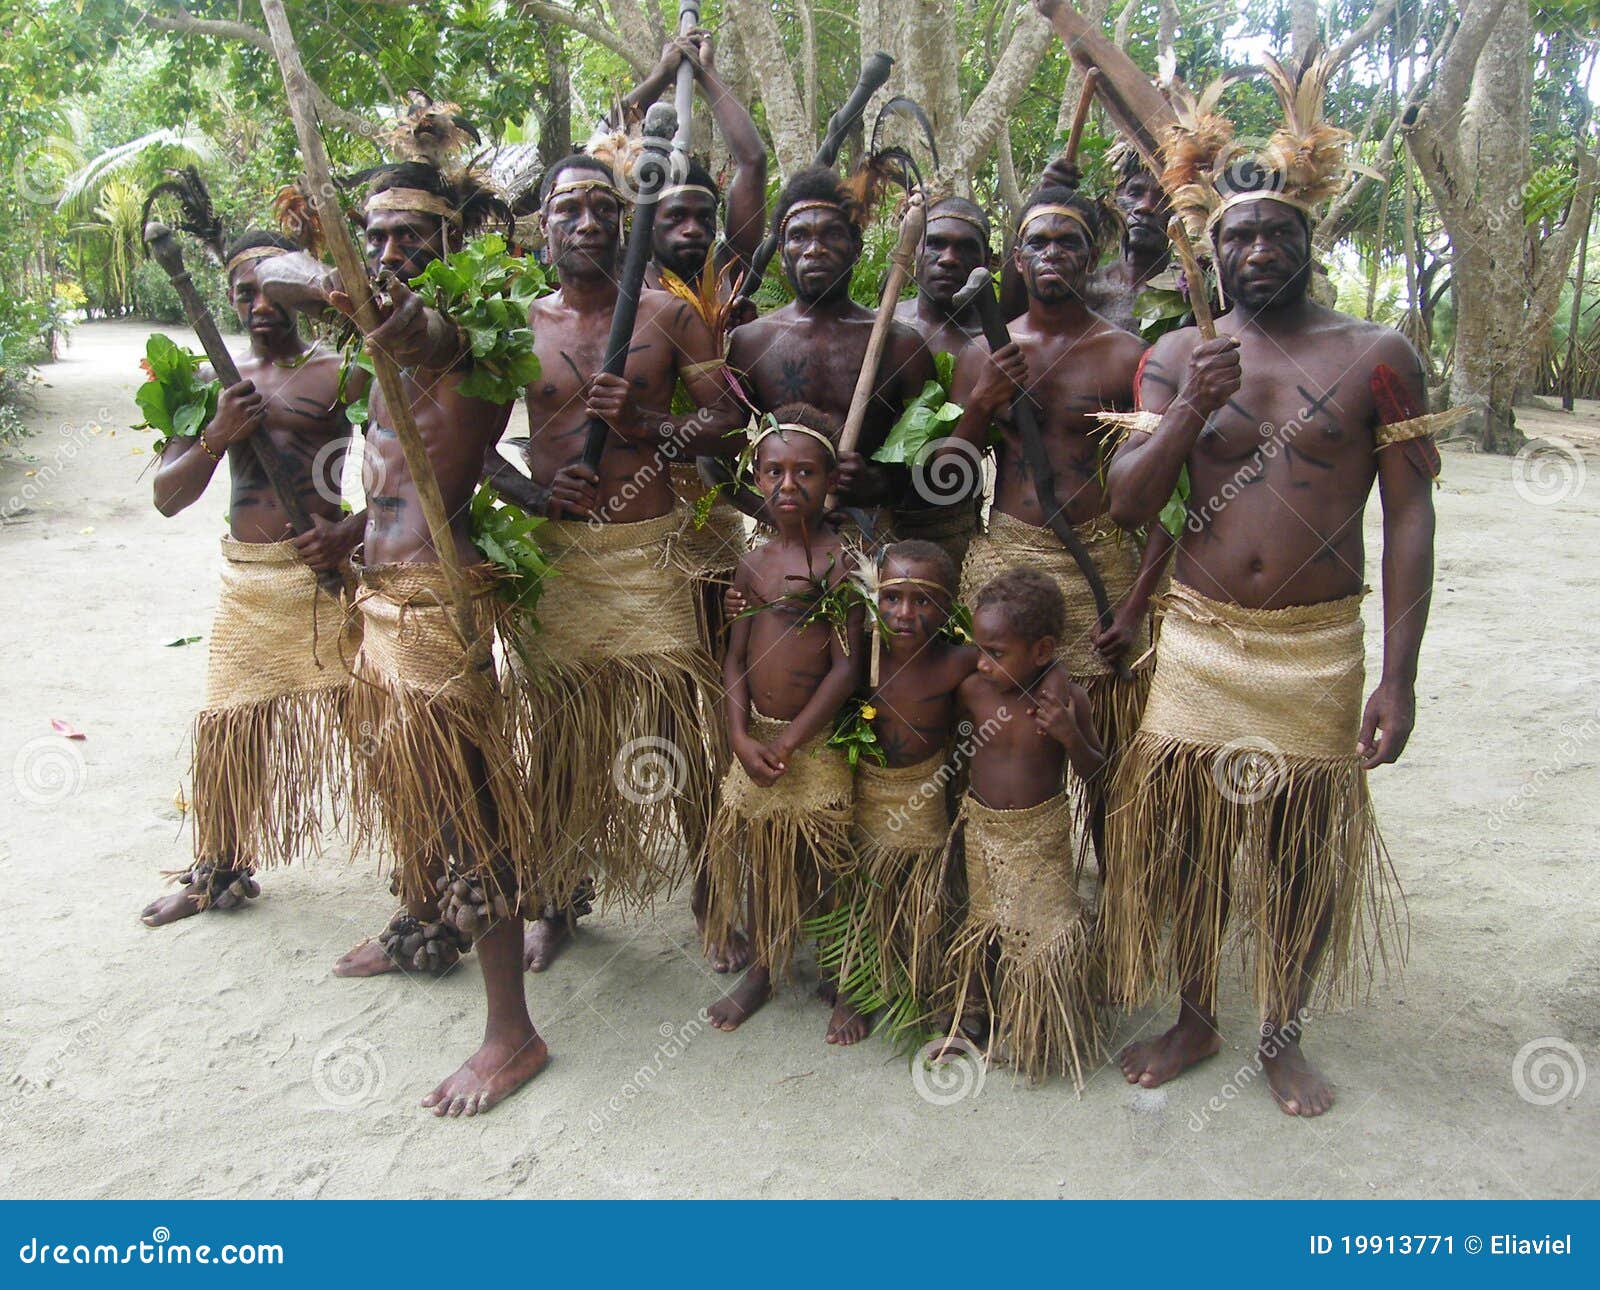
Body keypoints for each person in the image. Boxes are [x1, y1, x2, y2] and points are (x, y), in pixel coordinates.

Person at [1101, 56, 1440, 1116]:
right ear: (1211, 248)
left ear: (1307, 243)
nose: (1255, 252)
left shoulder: (1377, 353)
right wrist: (1192, 411)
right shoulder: (1174, 355)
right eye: (1236, 237)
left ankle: (1281, 1031)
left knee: (1299, 849)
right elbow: (1123, 503)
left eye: (1275, 236)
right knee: (1189, 841)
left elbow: (1412, 512)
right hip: (1199, 637)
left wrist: (1399, 677)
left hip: (1316, 646)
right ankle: (1198, 1013)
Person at [258, 157, 549, 1116]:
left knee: (470, 811)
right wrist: (348, 532)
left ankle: (512, 1035)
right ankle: (421, 921)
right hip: (378, 590)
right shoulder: (371, 339)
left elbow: (418, 330)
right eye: (376, 234)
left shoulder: (476, 335)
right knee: (408, 784)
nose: (390, 252)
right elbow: (269, 277)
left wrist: (368, 290)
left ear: (454, 242)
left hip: (435, 605)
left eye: (411, 236)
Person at [479, 152, 744, 972]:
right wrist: (533, 498)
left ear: (624, 223)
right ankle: (557, 895)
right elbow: (471, 452)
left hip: (651, 551)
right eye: (570, 209)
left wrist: (642, 422)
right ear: (543, 229)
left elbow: (732, 422)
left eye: (603, 206)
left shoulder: (668, 316)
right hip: (562, 557)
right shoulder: (517, 324)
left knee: (679, 731)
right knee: (560, 734)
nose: (588, 221)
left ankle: (713, 890)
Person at [140, 229, 363, 928]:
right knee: (228, 728)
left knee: (382, 721)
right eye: (245, 292)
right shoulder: (209, 384)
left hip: (326, 577)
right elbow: (168, 496)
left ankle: (431, 860)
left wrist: (349, 534)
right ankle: (220, 867)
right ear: (229, 301)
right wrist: (219, 434)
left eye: (274, 289)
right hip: (250, 584)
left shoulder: (343, 373)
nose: (261, 304)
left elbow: (407, 474)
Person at [949, 187, 1170, 873]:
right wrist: (983, 402)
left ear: (1092, 255)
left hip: (1103, 569)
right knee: (988, 740)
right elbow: (944, 475)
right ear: (1017, 257)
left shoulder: (1129, 357)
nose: (1052, 254)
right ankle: (985, 898)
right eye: (1038, 243)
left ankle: (1120, 904)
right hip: (1006, 562)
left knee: (1109, 749)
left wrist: (1135, 605)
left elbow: (1170, 493)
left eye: (1067, 242)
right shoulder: (982, 351)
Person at [703, 409, 866, 1040]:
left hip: (814, 744)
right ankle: (765, 969)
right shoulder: (753, 563)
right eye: (774, 471)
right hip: (756, 741)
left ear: (830, 481)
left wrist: (790, 741)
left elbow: (846, 671)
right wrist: (741, 736)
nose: (789, 484)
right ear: (757, 478)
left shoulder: (843, 564)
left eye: (805, 471)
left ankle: (849, 974)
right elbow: (735, 658)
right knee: (763, 859)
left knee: (833, 861)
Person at [941, 567, 1106, 1085]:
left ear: (1041, 650)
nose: (983, 663)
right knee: (983, 920)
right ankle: (972, 1010)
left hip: (1041, 836)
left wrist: (1069, 735)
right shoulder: (973, 692)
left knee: (1038, 927)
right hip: (983, 830)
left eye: (996, 652)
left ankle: (1030, 1017)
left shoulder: (1068, 701)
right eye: (979, 650)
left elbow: (1099, 771)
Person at [727, 166, 935, 527]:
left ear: (855, 247)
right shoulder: (751, 343)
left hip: (873, 543)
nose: (814, 249)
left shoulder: (901, 345)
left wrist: (878, 484)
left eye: (832, 234)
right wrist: (776, 516)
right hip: (782, 541)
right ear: (782, 250)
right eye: (799, 236)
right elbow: (714, 458)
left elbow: (932, 464)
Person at [844, 540, 977, 1006]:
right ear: (874, 596)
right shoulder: (861, 654)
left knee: (925, 900)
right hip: (868, 799)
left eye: (923, 600)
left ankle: (925, 978)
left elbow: (1018, 667)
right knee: (858, 893)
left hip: (927, 805)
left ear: (948, 609)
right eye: (892, 597)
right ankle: (851, 988)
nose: (904, 613)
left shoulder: (959, 662)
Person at [891, 196, 993, 565]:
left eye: (965, 248)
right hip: (875, 518)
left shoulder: (994, 342)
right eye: (935, 243)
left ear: (986, 262)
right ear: (914, 252)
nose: (949, 258)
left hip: (954, 519)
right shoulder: (878, 327)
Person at [1089, 146, 1175, 335]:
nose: (1145, 207)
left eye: (1164, 199)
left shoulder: (1194, 295)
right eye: (1135, 194)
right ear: (1113, 203)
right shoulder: (1083, 289)